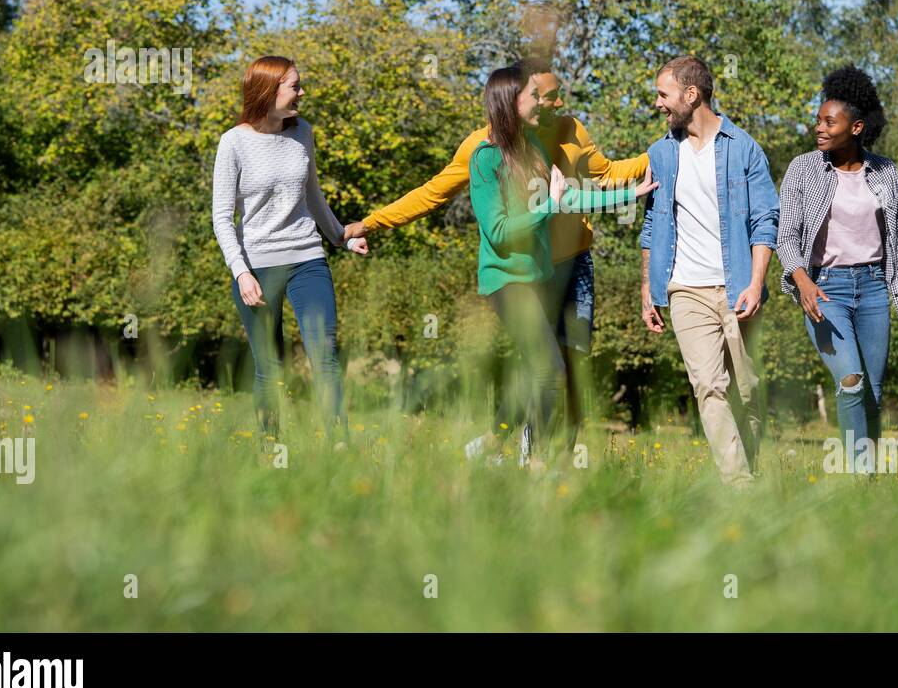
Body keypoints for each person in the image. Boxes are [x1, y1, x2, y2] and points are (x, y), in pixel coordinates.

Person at [342, 65, 649, 452]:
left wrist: (653, 164)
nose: (555, 102)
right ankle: (515, 449)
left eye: (552, 95)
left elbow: (599, 178)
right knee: (546, 367)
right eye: (544, 95)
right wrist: (372, 222)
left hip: (570, 264)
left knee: (566, 367)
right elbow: (434, 193)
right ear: (518, 98)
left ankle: (548, 457)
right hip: (522, 272)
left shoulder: (564, 132)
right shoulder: (483, 150)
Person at [467, 64, 656, 467]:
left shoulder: (533, 148)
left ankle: (497, 451)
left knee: (546, 368)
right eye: (533, 97)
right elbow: (499, 231)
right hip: (505, 280)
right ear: (510, 102)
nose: (542, 103)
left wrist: (629, 194)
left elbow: (568, 200)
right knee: (549, 369)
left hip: (538, 278)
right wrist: (548, 207)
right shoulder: (485, 160)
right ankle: (536, 463)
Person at [775, 65, 898, 466]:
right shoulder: (803, 169)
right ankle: (856, 478)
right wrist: (802, 281)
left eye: (828, 122)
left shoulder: (886, 172)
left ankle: (867, 481)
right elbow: (785, 235)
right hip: (824, 290)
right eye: (818, 119)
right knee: (850, 383)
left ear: (855, 128)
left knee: (872, 392)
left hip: (874, 290)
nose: (818, 128)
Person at [211, 56, 367, 441]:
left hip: (307, 259)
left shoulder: (302, 133)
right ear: (269, 90)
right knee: (269, 367)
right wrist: (241, 271)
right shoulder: (234, 143)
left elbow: (312, 194)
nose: (302, 93)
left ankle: (340, 448)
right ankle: (271, 452)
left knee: (325, 359)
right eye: (294, 86)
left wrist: (339, 236)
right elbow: (220, 217)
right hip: (256, 268)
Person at [640, 56, 779, 487]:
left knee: (748, 389)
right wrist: (648, 285)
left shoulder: (744, 148)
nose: (658, 103)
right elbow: (651, 222)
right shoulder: (661, 153)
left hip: (737, 285)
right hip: (684, 288)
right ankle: (739, 485)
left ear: (691, 94)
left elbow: (765, 220)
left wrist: (756, 283)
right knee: (708, 386)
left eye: (664, 94)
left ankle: (748, 467)